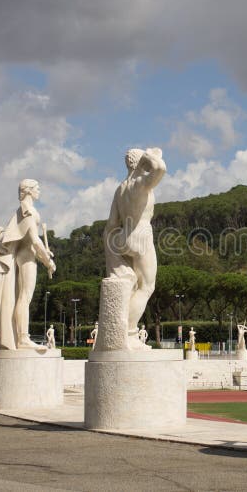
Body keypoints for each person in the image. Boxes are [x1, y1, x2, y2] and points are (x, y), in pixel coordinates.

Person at [103, 148, 166, 348]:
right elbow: (160, 169)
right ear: (142, 163)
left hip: (122, 238)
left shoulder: (120, 189)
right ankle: (128, 333)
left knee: (133, 287)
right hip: (141, 236)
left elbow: (112, 223)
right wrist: (151, 156)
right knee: (146, 287)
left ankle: (123, 332)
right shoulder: (140, 184)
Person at [0, 179, 56, 350]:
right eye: (37, 188)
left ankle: (21, 337)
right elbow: (34, 241)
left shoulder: (22, 211)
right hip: (27, 257)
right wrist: (48, 261)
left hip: (25, 254)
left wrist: (44, 252)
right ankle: (23, 338)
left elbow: (32, 239)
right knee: (25, 297)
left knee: (23, 296)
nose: (39, 191)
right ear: (29, 191)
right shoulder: (29, 212)